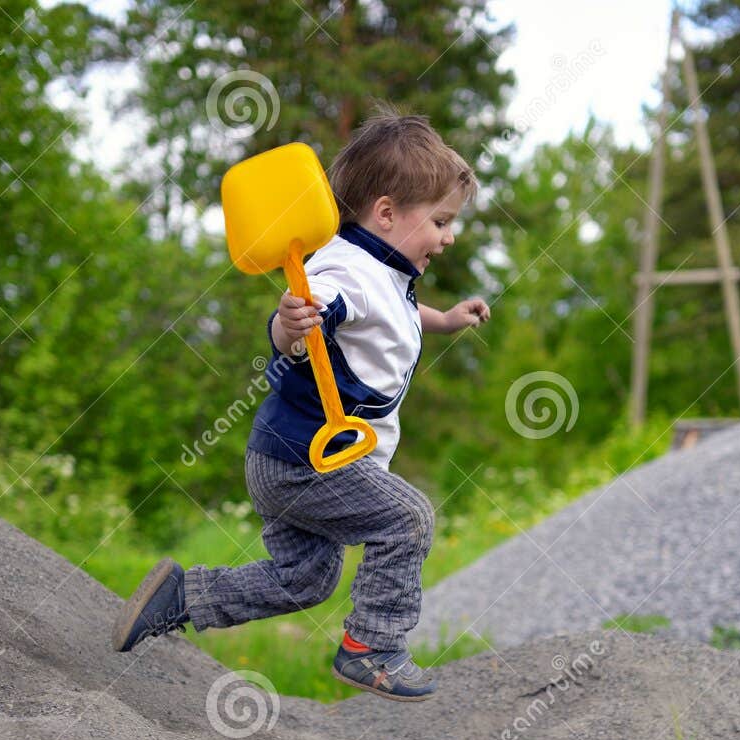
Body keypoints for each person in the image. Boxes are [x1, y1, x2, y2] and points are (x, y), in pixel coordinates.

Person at [112, 112, 490, 701]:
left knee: (305, 580)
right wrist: (288, 326)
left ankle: (182, 598)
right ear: (386, 213)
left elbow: (391, 317)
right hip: (308, 460)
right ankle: (373, 646)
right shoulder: (343, 269)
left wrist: (444, 319)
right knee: (407, 518)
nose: (449, 236)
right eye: (440, 221)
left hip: (287, 458)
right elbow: (311, 314)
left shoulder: (386, 272)